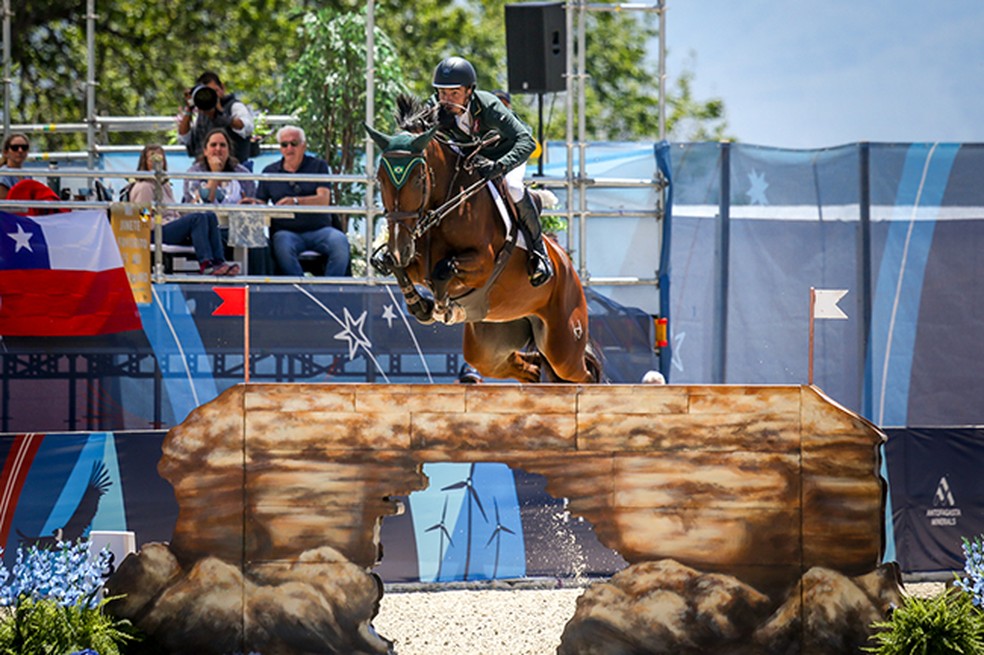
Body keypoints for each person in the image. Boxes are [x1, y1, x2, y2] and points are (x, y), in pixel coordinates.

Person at [429, 56, 553, 286]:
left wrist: (500, 166)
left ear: (469, 91)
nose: (446, 100)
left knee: (513, 187)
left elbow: (526, 141)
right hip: (475, 158)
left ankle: (539, 253)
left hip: (508, 153)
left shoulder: (489, 106)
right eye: (442, 93)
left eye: (454, 94)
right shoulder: (436, 106)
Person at [246, 125, 350, 277]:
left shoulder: (318, 166)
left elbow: (323, 199)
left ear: (303, 146)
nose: (289, 148)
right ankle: (302, 293)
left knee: (340, 242)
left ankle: (329, 292)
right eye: (284, 144)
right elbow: (261, 202)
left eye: (294, 143)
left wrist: (295, 201)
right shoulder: (270, 172)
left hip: (320, 230)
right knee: (281, 246)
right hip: (286, 232)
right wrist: (251, 202)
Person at [129, 144, 238, 276]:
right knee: (197, 219)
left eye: (160, 159)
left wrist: (189, 208)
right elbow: (143, 219)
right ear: (144, 162)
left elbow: (174, 212)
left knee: (209, 215)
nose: (157, 163)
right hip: (155, 232)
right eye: (152, 159)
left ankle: (219, 262)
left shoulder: (164, 185)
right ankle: (205, 263)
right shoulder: (144, 187)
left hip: (170, 226)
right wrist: (166, 222)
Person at [177, 71, 255, 167]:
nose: (212, 96)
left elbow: (247, 128)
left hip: (233, 168)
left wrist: (221, 113)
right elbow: (185, 137)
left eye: (214, 91)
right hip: (204, 168)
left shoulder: (234, 106)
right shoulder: (201, 113)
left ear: (222, 88)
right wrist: (190, 108)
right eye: (206, 93)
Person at [182, 127, 256, 206]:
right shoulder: (194, 173)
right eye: (213, 145)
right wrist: (215, 173)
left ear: (229, 150)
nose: (218, 149)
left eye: (222, 145)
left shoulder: (242, 173)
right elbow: (198, 205)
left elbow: (253, 203)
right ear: (205, 151)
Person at [0, 133, 33, 200]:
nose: (20, 150)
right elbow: (4, 206)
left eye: (24, 147)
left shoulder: (27, 175)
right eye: (15, 148)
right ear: (6, 152)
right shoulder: (3, 175)